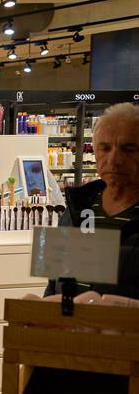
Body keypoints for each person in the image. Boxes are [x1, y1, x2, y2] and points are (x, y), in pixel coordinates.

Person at [45, 101, 139, 297]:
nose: (114, 160)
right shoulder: (77, 206)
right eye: (104, 148)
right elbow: (55, 281)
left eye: (128, 149)